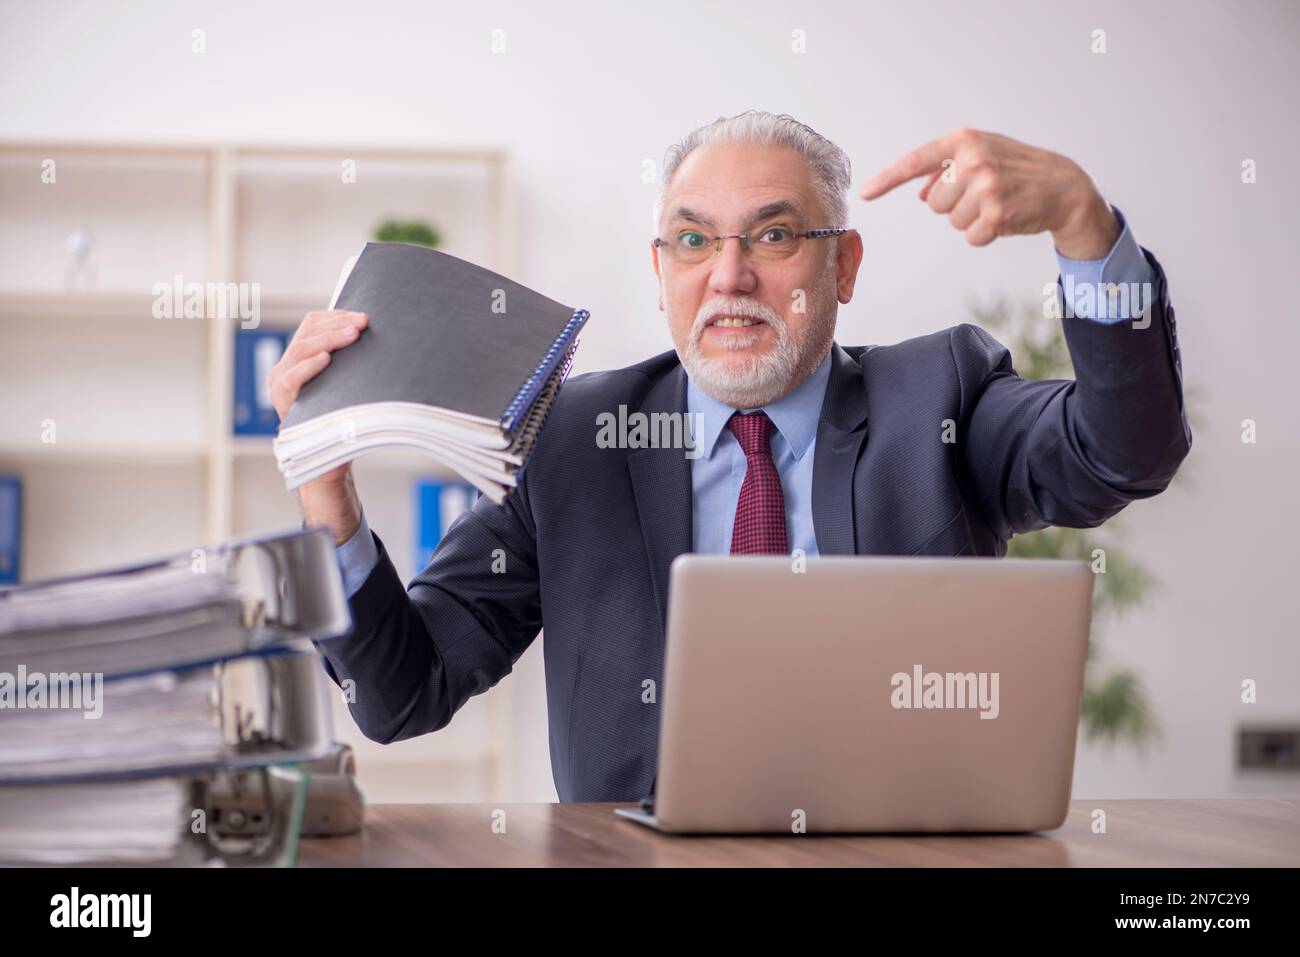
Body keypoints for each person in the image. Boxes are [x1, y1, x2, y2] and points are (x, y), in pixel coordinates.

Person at [267, 111, 1191, 802]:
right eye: (695, 239)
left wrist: (1084, 226)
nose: (731, 273)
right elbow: (403, 693)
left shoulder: (940, 396)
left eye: (776, 235)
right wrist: (329, 499)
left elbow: (1122, 454)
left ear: (846, 268)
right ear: (661, 268)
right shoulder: (569, 440)